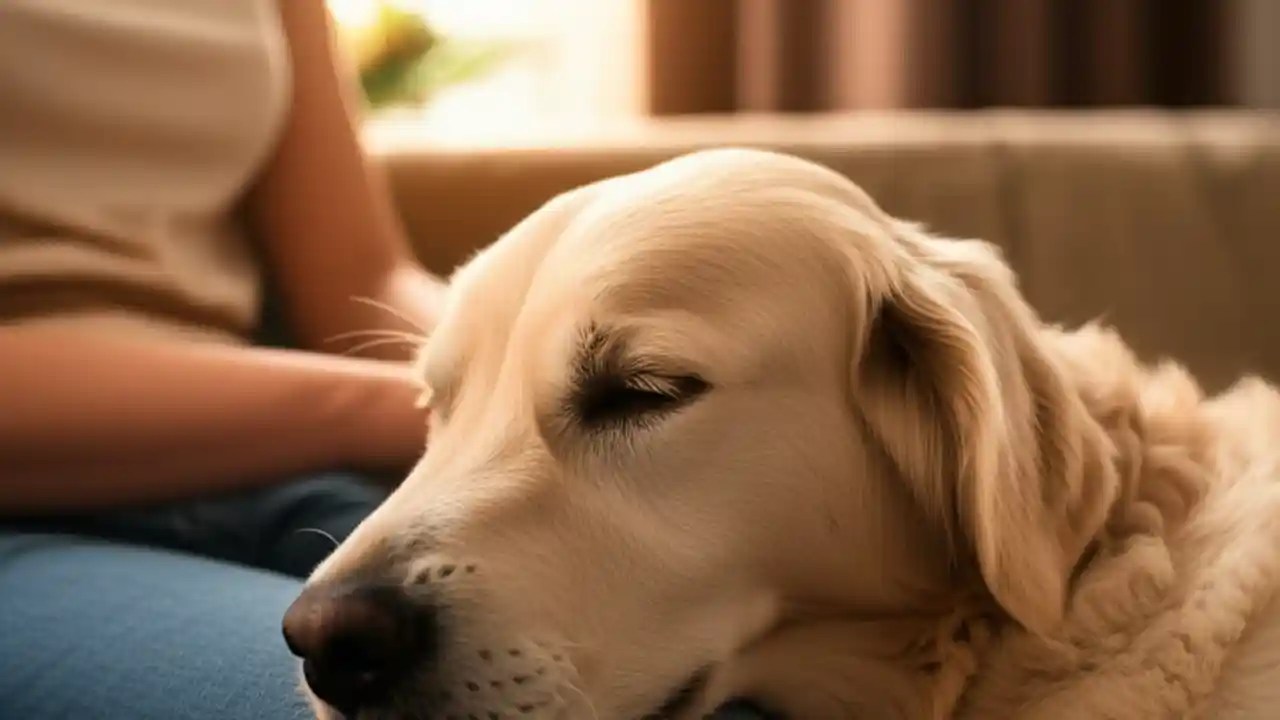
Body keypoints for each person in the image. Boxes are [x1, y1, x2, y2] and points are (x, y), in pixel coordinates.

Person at [0, 2, 441, 717]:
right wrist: (402, 402)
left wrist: (530, 357)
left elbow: (362, 284)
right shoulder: (365, 409)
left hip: (273, 465)